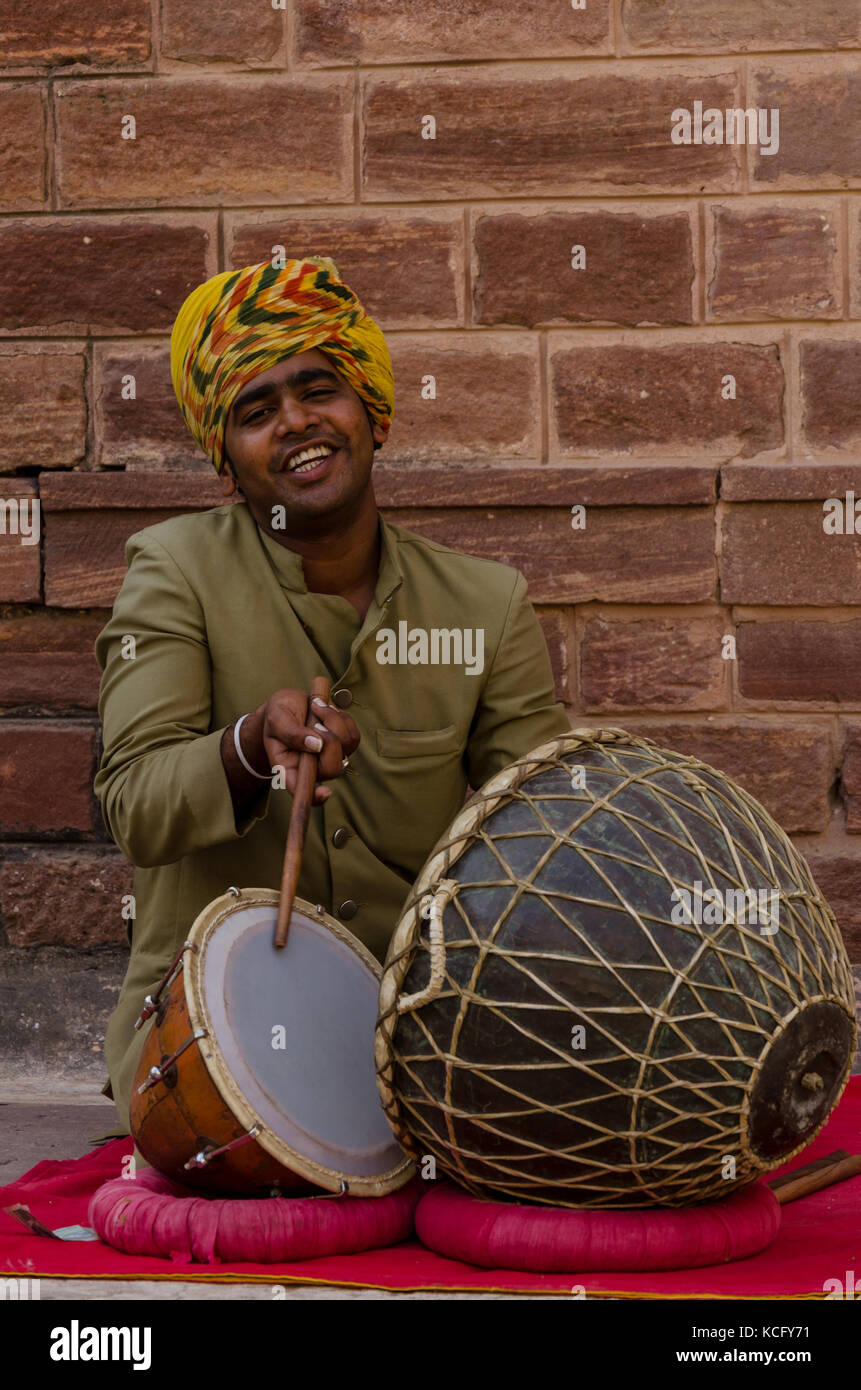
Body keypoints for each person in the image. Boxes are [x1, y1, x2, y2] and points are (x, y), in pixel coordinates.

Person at [94, 255, 571, 1131]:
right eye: (256, 410)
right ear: (224, 460)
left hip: (417, 1045)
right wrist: (244, 748)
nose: (297, 423)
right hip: (207, 1053)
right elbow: (135, 807)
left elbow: (546, 828)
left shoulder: (484, 603)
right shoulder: (173, 571)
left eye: (320, 390)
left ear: (373, 414)